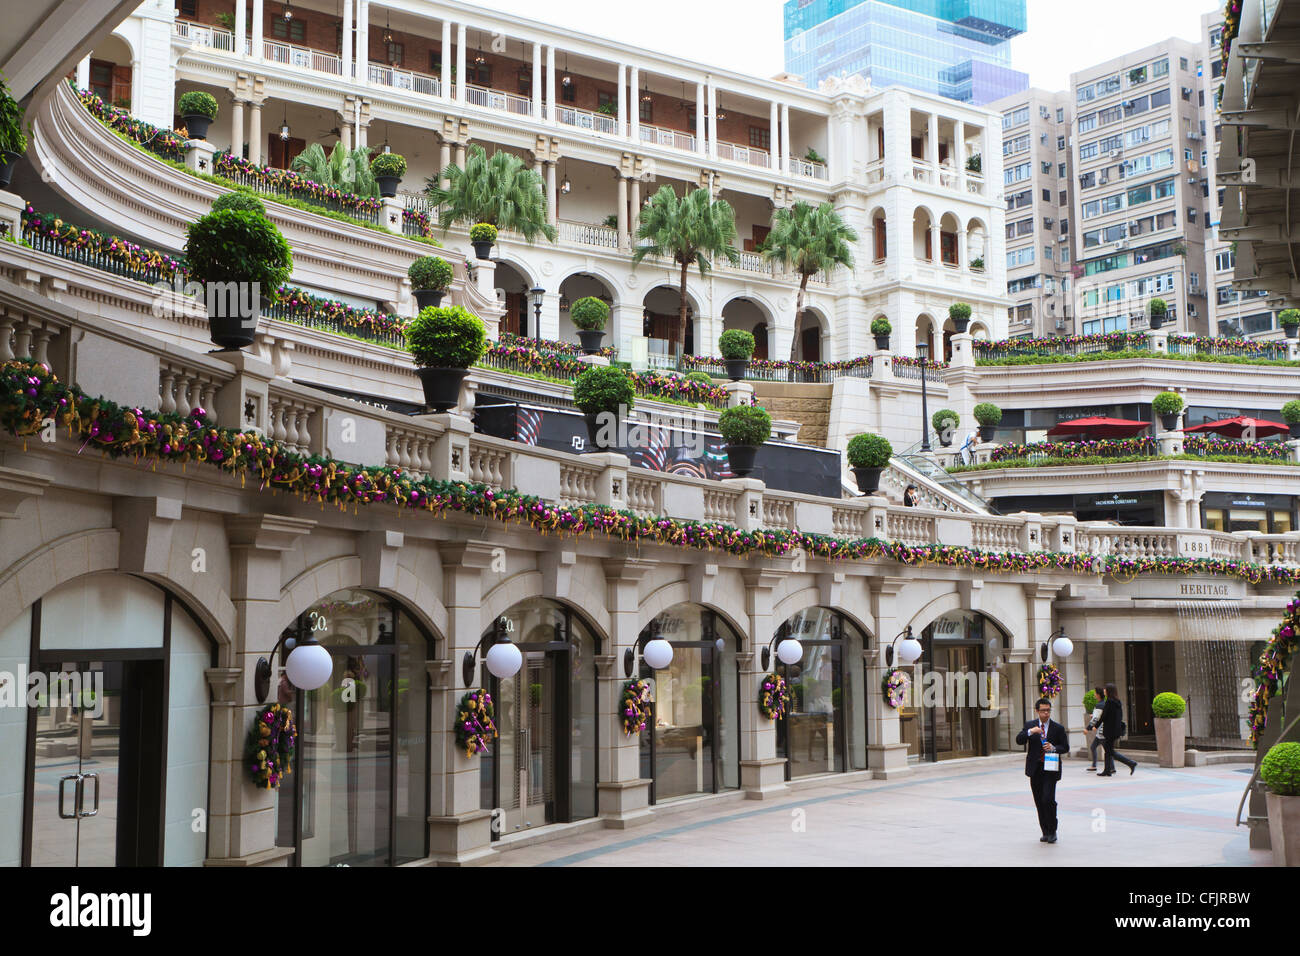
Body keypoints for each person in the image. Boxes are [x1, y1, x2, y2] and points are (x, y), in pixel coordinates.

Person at [1015, 697, 1070, 843]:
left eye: (1048, 710)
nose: (1046, 713)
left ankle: (1053, 830)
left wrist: (1053, 748)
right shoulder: (1030, 725)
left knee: (1048, 799)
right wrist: (1030, 732)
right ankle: (1045, 831)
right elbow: (1019, 740)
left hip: (1051, 768)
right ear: (1037, 711)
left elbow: (1065, 747)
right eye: (1043, 711)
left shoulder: (1057, 728)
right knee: (1039, 801)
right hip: (1036, 768)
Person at [1097, 682, 1137, 776]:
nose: (1104, 690)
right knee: (1108, 751)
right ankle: (1107, 770)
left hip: (1110, 730)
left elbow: (1104, 716)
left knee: (1109, 751)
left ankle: (1130, 763)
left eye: (1105, 689)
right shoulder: (1117, 702)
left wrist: (1095, 725)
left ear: (1109, 691)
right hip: (1115, 730)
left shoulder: (1109, 702)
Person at [1086, 686, 1106, 771]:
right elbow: (1099, 716)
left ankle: (1129, 763)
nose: (1094, 694)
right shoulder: (1104, 704)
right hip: (1101, 732)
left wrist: (1087, 728)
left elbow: (1095, 719)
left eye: (1095, 693)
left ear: (1098, 695)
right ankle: (1094, 765)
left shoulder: (1099, 705)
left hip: (1102, 732)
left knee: (1109, 751)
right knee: (1093, 747)